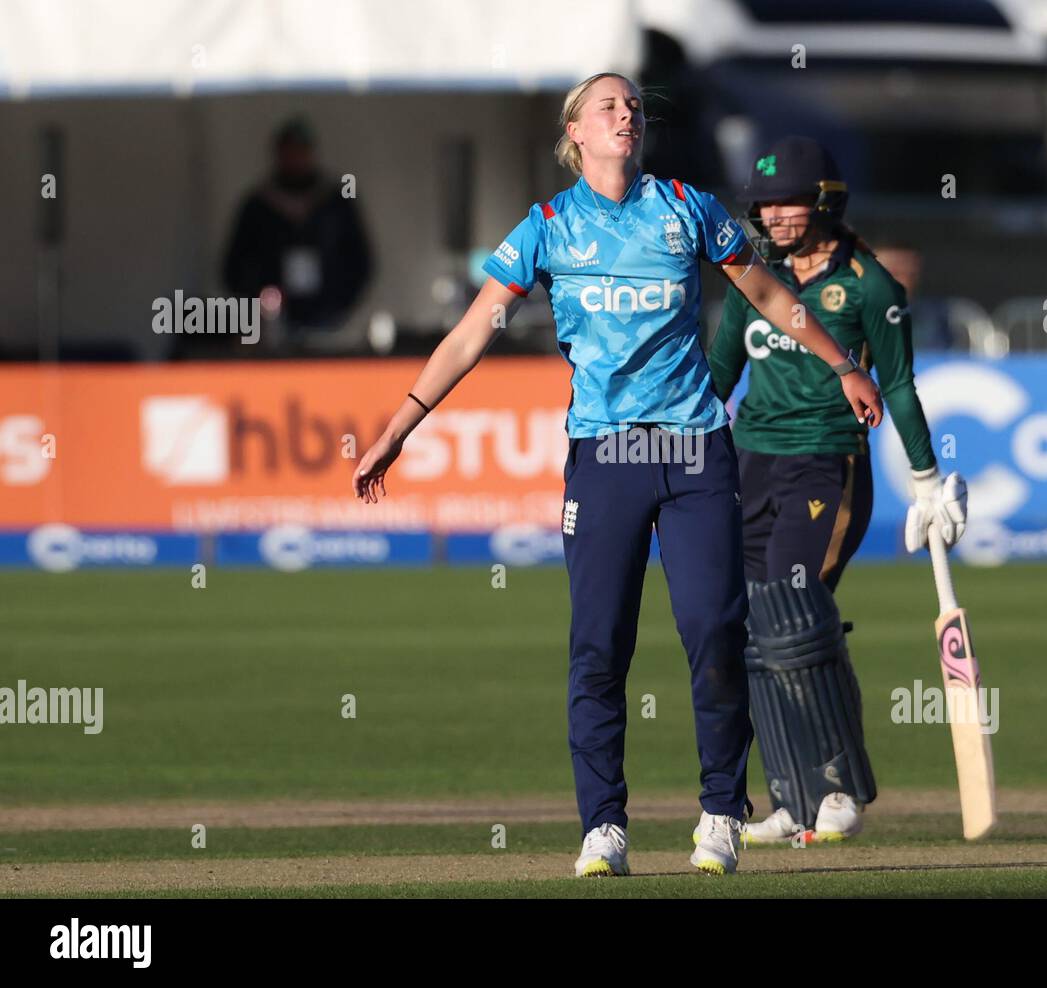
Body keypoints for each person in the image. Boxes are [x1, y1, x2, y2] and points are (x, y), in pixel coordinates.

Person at [351, 78, 883, 877]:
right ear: (576, 131)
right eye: (608, 106)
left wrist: (842, 362)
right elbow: (470, 334)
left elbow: (768, 290)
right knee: (599, 647)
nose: (626, 114)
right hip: (606, 457)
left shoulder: (686, 209)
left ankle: (719, 812)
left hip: (695, 449)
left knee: (713, 630)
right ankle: (604, 827)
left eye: (633, 105)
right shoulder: (549, 227)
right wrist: (399, 427)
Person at [707, 136, 967, 844]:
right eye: (763, 203)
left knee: (798, 613)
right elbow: (720, 375)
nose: (773, 214)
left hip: (827, 466)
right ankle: (790, 800)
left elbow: (901, 386)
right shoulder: (754, 278)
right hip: (750, 464)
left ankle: (842, 786)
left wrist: (926, 480)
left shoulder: (867, 285)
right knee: (755, 628)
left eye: (786, 200)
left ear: (824, 200)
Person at [222, 115, 372, 345]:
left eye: (300, 150)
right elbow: (233, 267)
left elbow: (361, 260)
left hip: (330, 320)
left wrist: (340, 301)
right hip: (273, 322)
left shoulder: (337, 199)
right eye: (289, 151)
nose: (295, 158)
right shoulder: (258, 204)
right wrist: (256, 298)